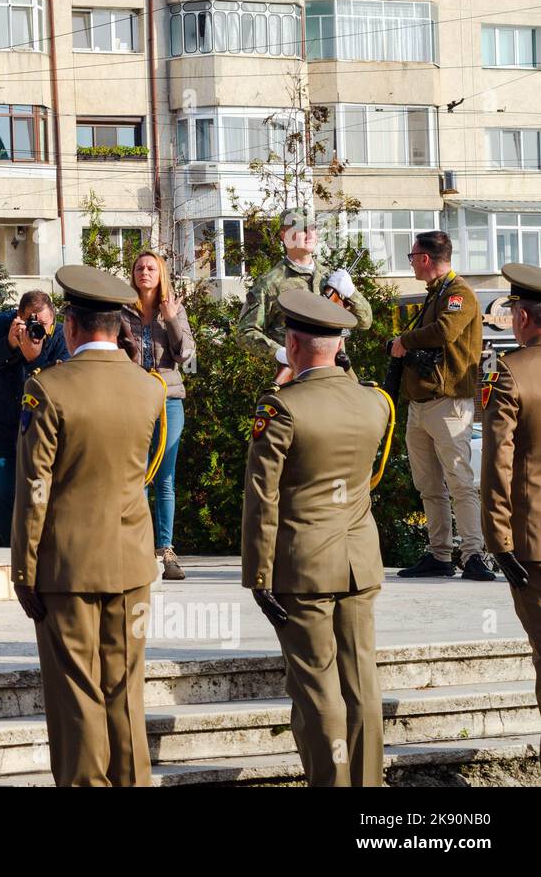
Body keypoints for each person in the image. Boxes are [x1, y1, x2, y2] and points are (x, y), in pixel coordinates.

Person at [11, 265, 167, 787]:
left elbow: (35, 489)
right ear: (116, 325)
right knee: (125, 692)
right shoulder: (150, 388)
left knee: (77, 694)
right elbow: (149, 466)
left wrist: (23, 569)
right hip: (131, 560)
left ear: (70, 328)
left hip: (67, 564)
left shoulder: (48, 388)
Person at [242, 290, 393, 787]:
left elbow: (262, 499)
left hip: (303, 565)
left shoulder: (282, 407)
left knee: (316, 689)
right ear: (338, 343)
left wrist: (259, 575)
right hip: (359, 560)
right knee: (361, 684)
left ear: (293, 343)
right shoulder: (374, 402)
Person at [391, 230, 492, 580]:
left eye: (412, 257)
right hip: (422, 404)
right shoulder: (437, 293)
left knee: (460, 481)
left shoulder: (459, 293)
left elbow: (446, 331)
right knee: (429, 486)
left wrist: (404, 341)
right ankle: (439, 554)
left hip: (449, 403)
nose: (412, 264)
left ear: (424, 258)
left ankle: (474, 554)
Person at [479, 262, 539, 714]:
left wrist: (499, 540)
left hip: (533, 543)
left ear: (522, 318)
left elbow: (497, 461)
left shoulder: (510, 372)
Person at [0, 290, 70, 545]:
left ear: (53, 318)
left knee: (40, 495)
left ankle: (39, 549)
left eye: (42, 325)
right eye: (30, 323)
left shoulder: (62, 334)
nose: (37, 330)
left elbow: (68, 380)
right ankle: (12, 548)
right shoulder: (3, 324)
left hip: (42, 434)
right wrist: (8, 344)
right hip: (2, 427)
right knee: (0, 495)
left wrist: (36, 358)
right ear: (18, 317)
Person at [237, 208, 372, 383]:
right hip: (298, 379)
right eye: (301, 229)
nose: (309, 234)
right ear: (284, 235)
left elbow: (365, 322)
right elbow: (245, 332)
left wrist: (351, 293)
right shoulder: (270, 283)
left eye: (313, 228)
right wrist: (279, 353)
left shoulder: (331, 278)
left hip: (336, 375)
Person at [123, 251, 195, 580]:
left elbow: (186, 355)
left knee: (165, 477)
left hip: (169, 399)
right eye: (139, 268)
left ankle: (165, 551)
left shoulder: (174, 309)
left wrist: (172, 318)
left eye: (151, 268)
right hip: (134, 398)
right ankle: (137, 548)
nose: (145, 273)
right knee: (137, 475)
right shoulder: (122, 311)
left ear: (160, 273)